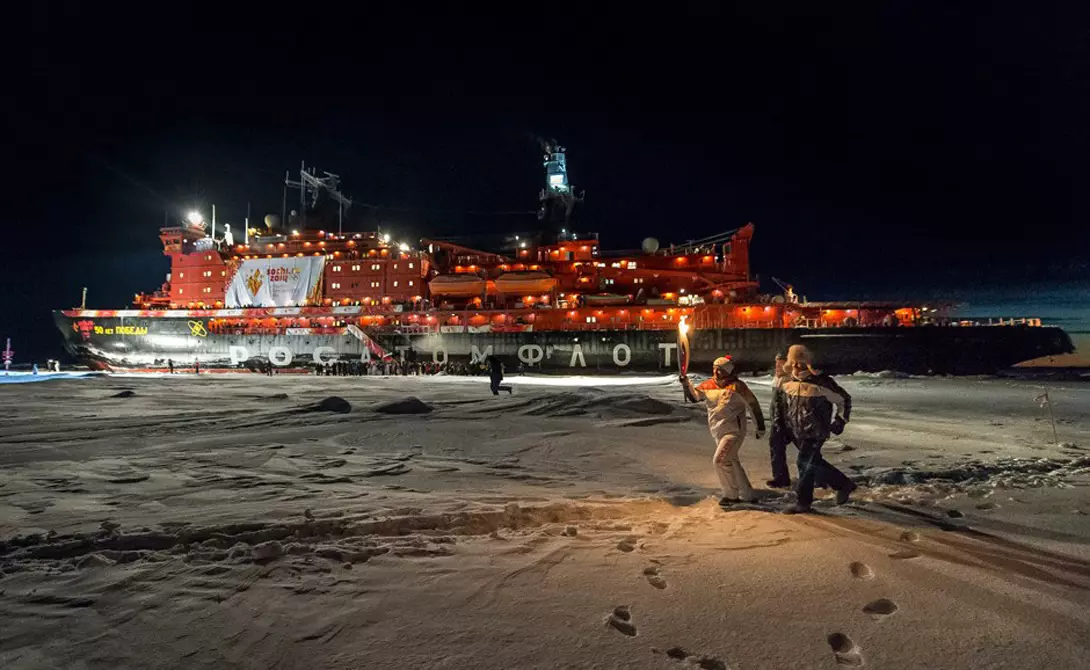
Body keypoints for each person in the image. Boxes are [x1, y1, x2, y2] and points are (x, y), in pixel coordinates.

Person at [771, 345, 856, 514]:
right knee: (813, 462)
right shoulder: (788, 382)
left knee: (804, 463)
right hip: (797, 430)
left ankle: (803, 502)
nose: (796, 367)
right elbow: (782, 406)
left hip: (816, 431)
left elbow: (843, 400)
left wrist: (840, 421)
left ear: (807, 363)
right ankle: (843, 484)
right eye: (794, 362)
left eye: (800, 363)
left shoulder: (821, 382)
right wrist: (781, 424)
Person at [680, 355, 766, 507]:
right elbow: (694, 397)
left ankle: (731, 495)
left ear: (729, 370)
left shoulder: (737, 387)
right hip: (717, 430)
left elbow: (753, 406)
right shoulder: (708, 385)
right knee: (731, 460)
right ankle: (747, 494)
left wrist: (760, 427)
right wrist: (686, 383)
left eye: (720, 370)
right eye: (714, 369)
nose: (716, 373)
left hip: (734, 431)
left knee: (720, 460)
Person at [767, 351, 792, 488]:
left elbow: (782, 404)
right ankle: (781, 478)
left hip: (787, 421)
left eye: (780, 363)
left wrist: (780, 420)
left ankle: (826, 478)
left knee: (806, 454)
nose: (777, 366)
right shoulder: (777, 379)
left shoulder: (788, 380)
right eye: (776, 362)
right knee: (776, 448)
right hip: (778, 421)